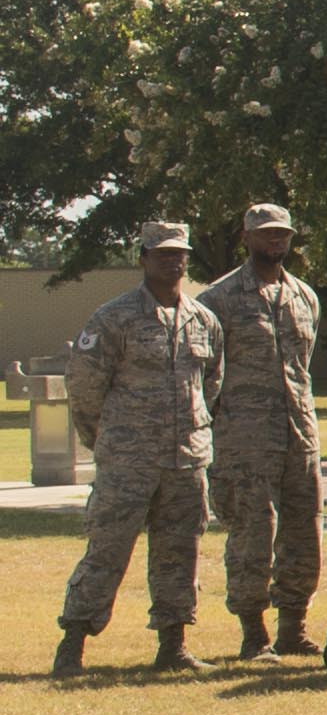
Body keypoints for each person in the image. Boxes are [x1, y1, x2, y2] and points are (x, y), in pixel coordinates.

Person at [54, 216, 219, 677]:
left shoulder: (203, 320)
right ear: (143, 258)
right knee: (107, 549)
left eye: (179, 253)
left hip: (185, 461)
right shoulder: (114, 318)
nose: (173, 260)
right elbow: (84, 388)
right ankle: (73, 644)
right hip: (128, 461)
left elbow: (213, 386)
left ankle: (174, 645)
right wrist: (105, 440)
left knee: (179, 553)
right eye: (162, 253)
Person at [196, 202, 323, 660]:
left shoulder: (304, 296)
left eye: (283, 233)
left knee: (305, 534)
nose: (276, 240)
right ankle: (254, 633)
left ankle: (294, 627)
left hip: (300, 436)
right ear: (246, 238)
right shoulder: (217, 300)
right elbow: (204, 374)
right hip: (244, 440)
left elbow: (303, 369)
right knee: (253, 535)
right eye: (266, 233)